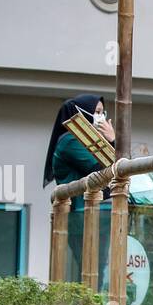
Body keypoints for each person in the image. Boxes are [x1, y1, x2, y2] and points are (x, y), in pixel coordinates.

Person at [44, 93, 114, 284]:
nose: (101, 117)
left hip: (91, 216)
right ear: (81, 113)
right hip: (81, 216)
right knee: (89, 273)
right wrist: (112, 140)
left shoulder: (87, 141)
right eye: (97, 112)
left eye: (102, 112)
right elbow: (102, 170)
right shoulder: (71, 140)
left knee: (95, 273)